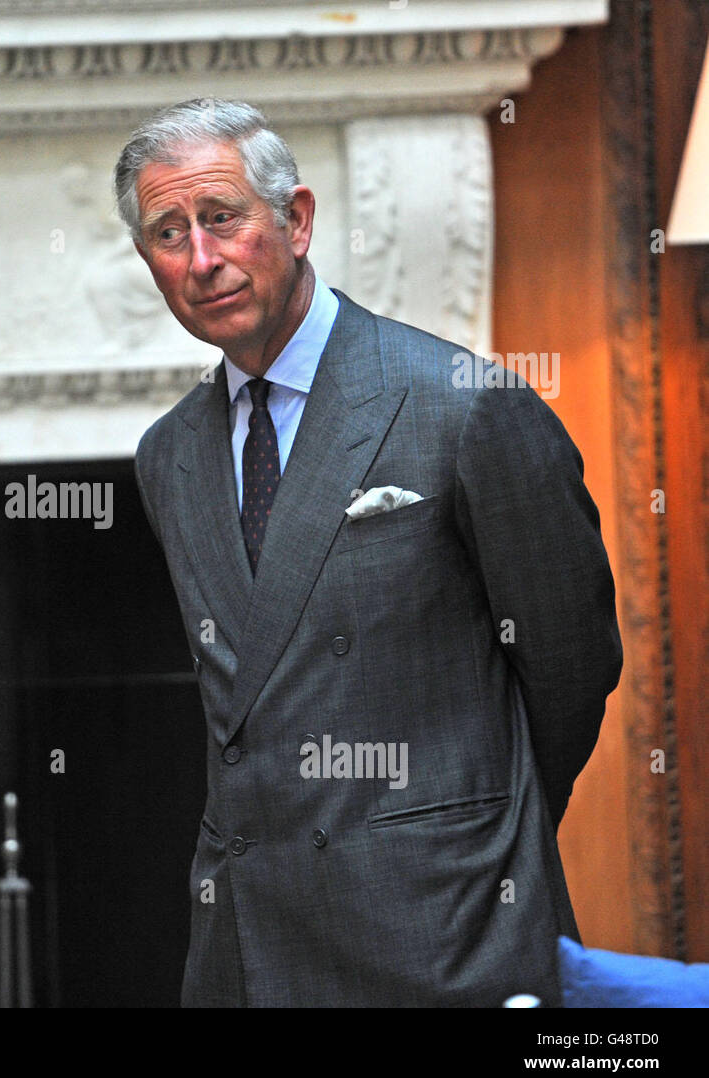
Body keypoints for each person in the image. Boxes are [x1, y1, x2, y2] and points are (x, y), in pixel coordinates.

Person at [117, 99, 622, 1007]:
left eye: (222, 217)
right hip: (249, 944)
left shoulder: (462, 405)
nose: (201, 258)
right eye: (167, 232)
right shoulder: (168, 455)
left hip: (446, 928)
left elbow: (571, 663)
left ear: (297, 219)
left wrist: (462, 828)